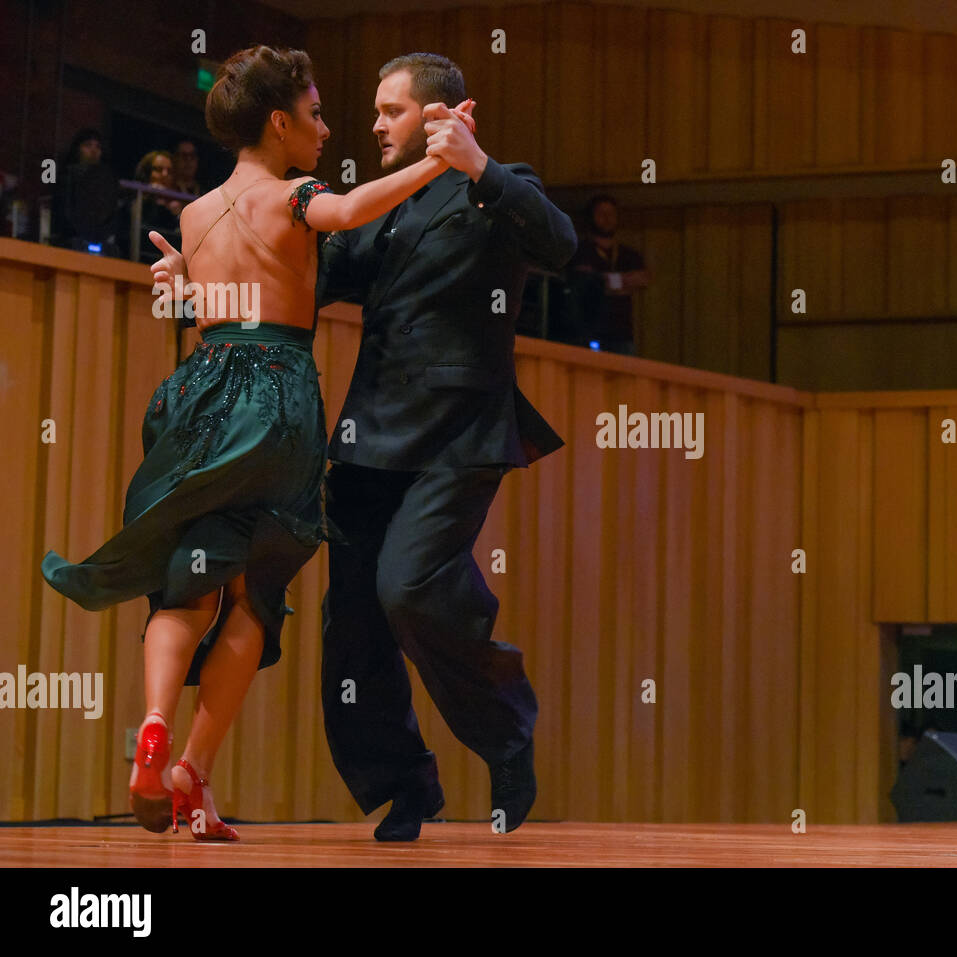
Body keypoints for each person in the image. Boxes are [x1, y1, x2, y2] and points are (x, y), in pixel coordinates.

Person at [41, 44, 473, 843]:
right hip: (275, 397)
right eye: (316, 114)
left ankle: (156, 725)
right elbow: (351, 211)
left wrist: (182, 288)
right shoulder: (298, 195)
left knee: (185, 585)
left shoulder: (195, 213)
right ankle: (194, 766)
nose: (327, 129)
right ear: (279, 122)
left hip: (198, 394)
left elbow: (202, 310)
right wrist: (438, 164)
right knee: (255, 594)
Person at [316, 52, 576, 841]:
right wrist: (205, 277)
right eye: (375, 110)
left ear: (442, 115)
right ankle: (405, 783)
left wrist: (480, 167)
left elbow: (560, 244)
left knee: (411, 588)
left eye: (390, 111)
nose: (374, 125)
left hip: (460, 431)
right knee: (352, 624)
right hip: (369, 436)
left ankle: (505, 734)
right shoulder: (379, 205)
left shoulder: (499, 185)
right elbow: (313, 277)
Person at [565, 193, 648, 354]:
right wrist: (622, 283)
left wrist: (604, 281)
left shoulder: (628, 254)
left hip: (622, 334)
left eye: (611, 214)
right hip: (587, 333)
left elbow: (643, 279)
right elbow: (584, 283)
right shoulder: (580, 252)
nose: (607, 218)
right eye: (601, 213)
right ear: (591, 217)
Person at [123, 150, 182, 261]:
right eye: (158, 170)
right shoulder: (134, 201)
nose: (165, 174)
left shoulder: (176, 207)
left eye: (169, 171)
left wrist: (177, 215)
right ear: (146, 173)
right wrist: (149, 199)